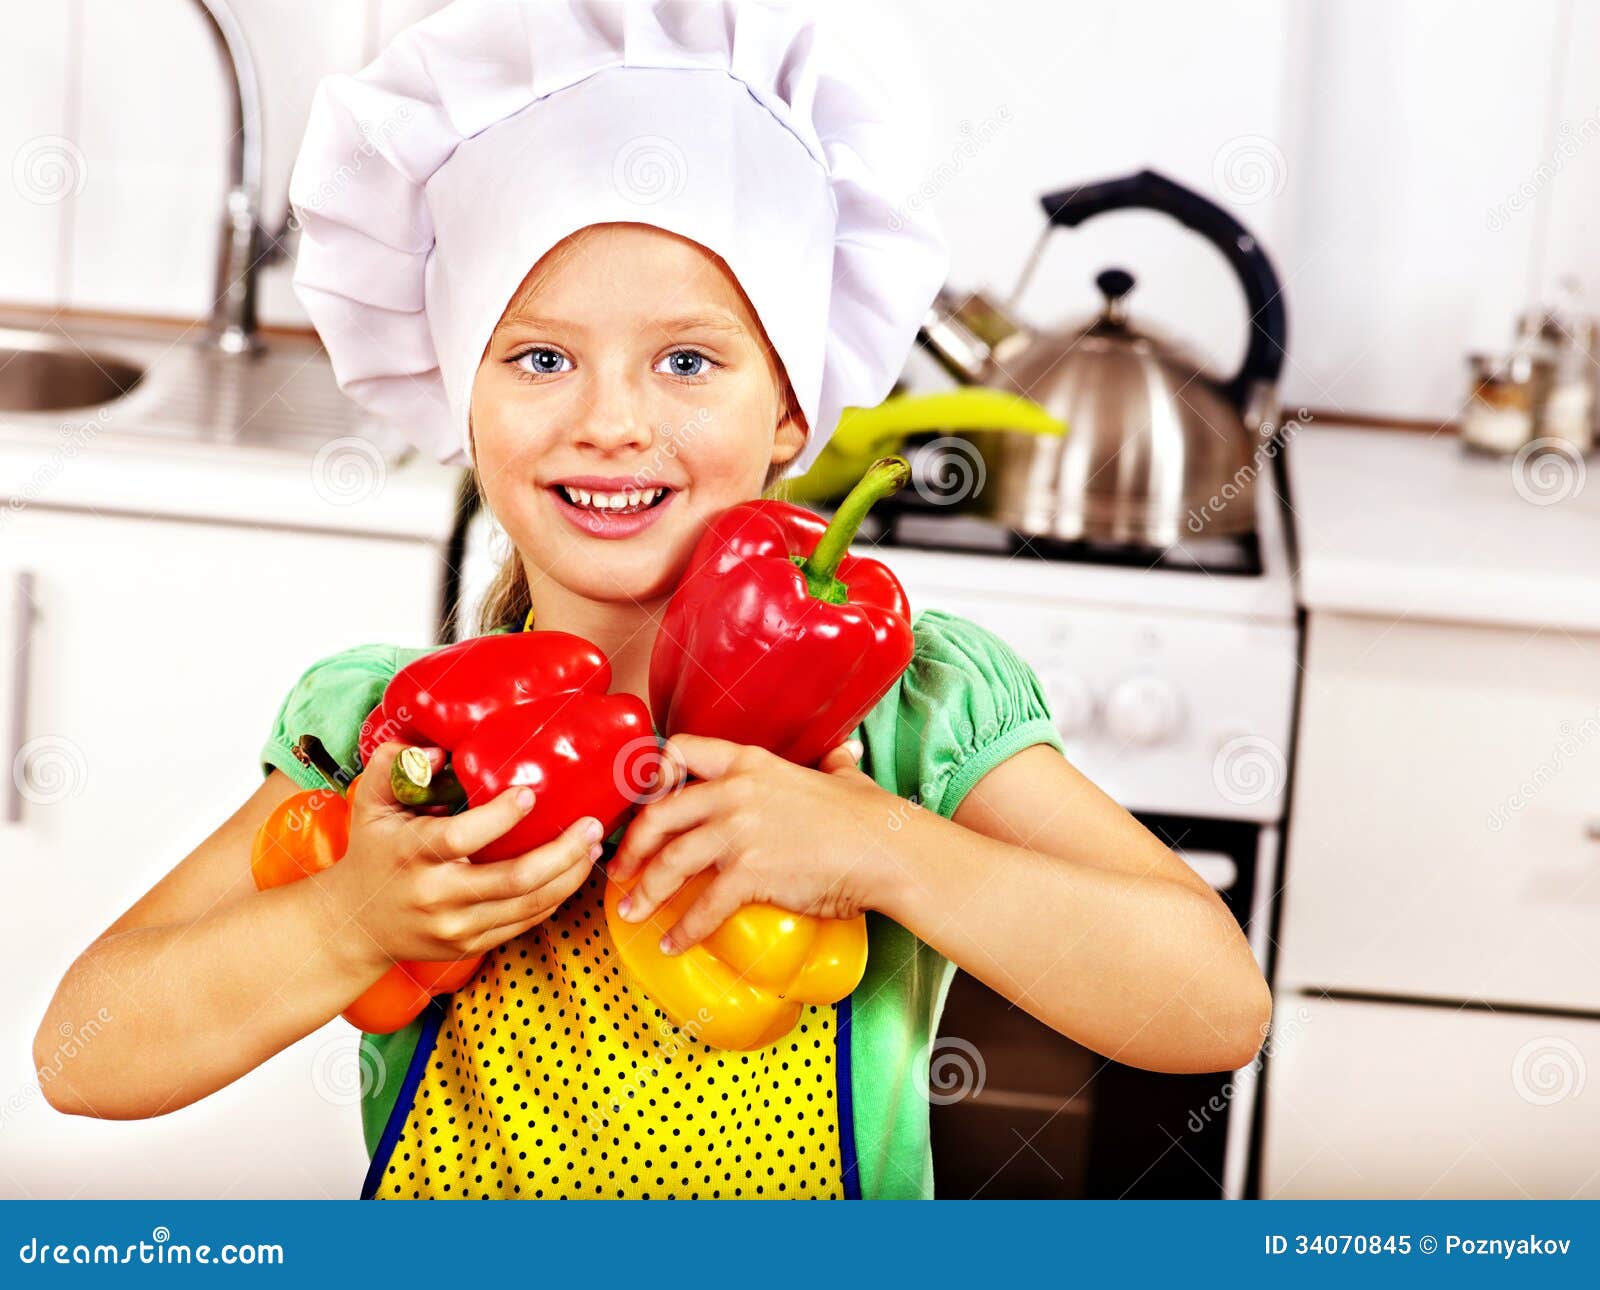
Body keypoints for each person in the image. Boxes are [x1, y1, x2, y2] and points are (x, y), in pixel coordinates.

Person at [34, 0, 1270, 1200]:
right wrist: (344, 926)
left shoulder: (911, 713)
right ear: (459, 398)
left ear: (790, 406)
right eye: (538, 358)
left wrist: (884, 850)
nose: (612, 421)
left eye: (687, 359)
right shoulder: (388, 743)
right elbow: (81, 1056)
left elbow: (1214, 1010)